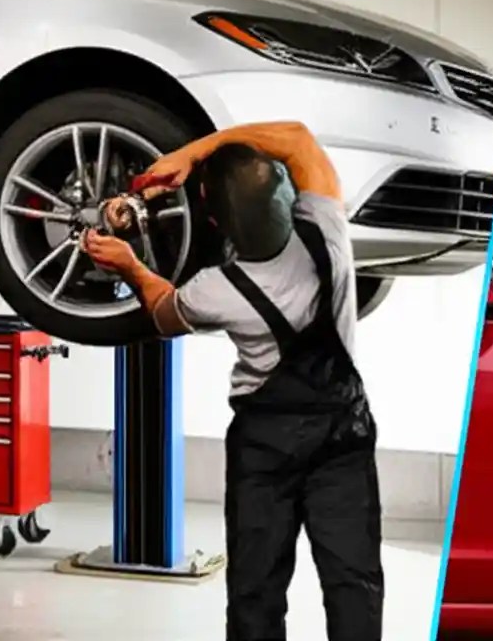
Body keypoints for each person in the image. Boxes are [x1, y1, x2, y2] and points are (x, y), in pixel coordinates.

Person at [81, 122, 383, 641]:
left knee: (254, 592)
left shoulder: (214, 290)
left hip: (264, 451)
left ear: (216, 222)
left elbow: (163, 312)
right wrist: (199, 150)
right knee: (354, 586)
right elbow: (298, 138)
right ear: (286, 198)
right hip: (343, 437)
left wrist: (131, 266)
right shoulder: (327, 229)